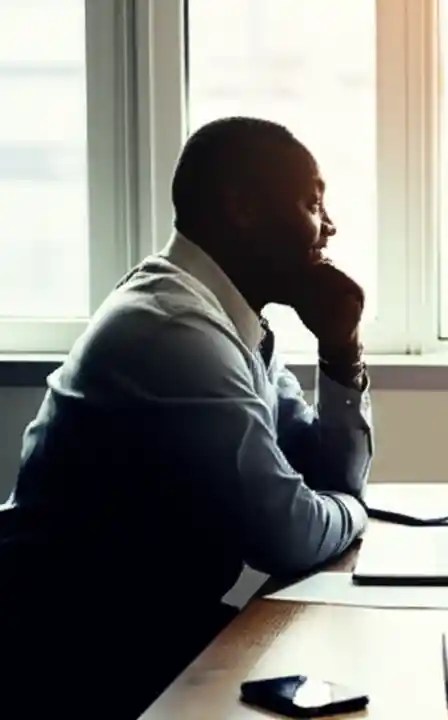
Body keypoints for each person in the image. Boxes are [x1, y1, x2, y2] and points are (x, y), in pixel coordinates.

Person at [0, 117, 374, 717]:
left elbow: (323, 470)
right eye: (311, 202)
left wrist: (341, 350)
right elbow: (288, 536)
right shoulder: (173, 330)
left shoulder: (223, 320)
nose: (329, 226)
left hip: (142, 629)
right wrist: (358, 513)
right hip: (70, 652)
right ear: (242, 208)